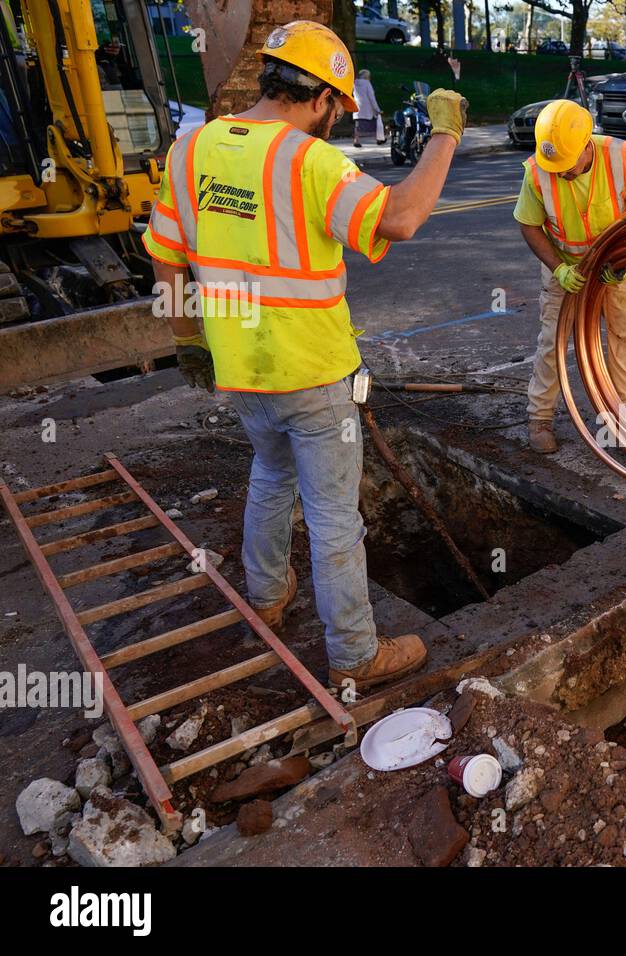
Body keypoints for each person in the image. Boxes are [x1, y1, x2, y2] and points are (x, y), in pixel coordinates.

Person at [142, 21, 468, 691]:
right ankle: (353, 653)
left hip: (241, 371)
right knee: (333, 521)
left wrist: (186, 341)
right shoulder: (312, 163)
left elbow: (165, 255)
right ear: (320, 98)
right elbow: (401, 217)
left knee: (269, 473)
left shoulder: (192, 148)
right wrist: (446, 135)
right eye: (336, 110)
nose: (334, 123)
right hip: (316, 375)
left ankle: (265, 595)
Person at [514, 98, 626, 454]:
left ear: (586, 144)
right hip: (565, 268)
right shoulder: (538, 170)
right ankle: (540, 417)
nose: (560, 173)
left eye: (566, 165)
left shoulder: (622, 159)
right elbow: (529, 225)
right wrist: (558, 268)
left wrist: (622, 264)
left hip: (614, 267)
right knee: (553, 342)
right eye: (554, 166)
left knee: (623, 337)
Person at [351, 68, 384, 146]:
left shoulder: (354, 83)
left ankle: (356, 140)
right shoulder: (367, 83)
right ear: (367, 76)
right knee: (375, 122)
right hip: (367, 107)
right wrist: (377, 109)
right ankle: (378, 139)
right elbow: (371, 97)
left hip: (357, 106)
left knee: (358, 124)